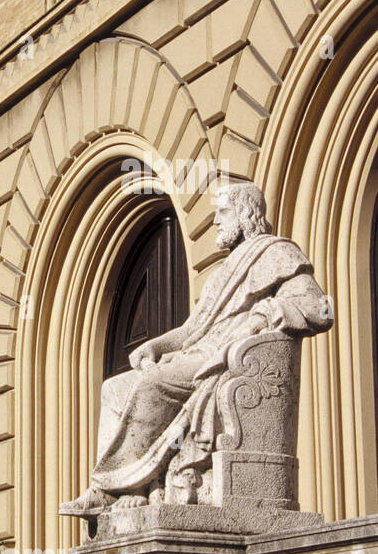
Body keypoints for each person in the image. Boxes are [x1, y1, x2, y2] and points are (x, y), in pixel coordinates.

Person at [63, 182, 333, 513]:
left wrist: (264, 315)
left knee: (152, 384)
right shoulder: (222, 273)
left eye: (222, 213)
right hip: (196, 352)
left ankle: (120, 485)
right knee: (114, 388)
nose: (216, 222)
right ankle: (111, 490)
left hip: (221, 359)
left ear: (245, 213)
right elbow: (192, 330)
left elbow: (317, 308)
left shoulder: (277, 253)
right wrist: (157, 344)